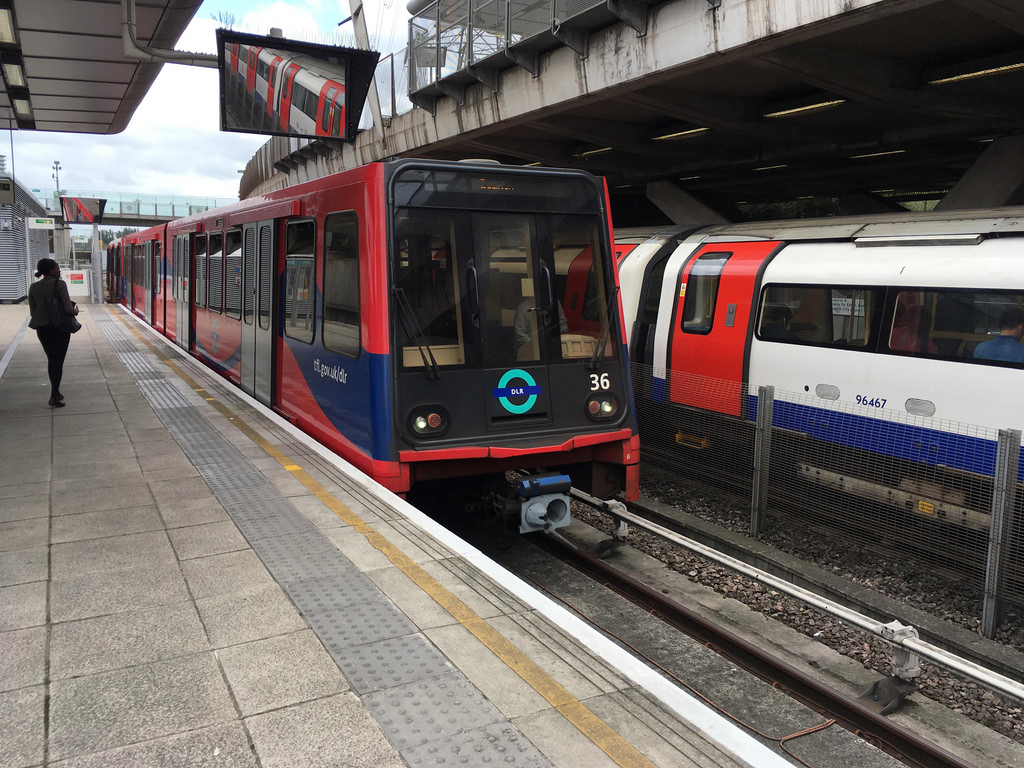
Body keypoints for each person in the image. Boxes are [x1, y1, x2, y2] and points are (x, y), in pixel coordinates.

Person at [27, 258, 79, 407]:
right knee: (58, 361)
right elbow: (68, 309)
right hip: (60, 327)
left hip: (43, 328)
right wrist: (75, 310)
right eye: (57, 268)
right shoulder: (60, 284)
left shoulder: (34, 287)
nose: (59, 270)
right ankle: (54, 394)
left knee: (52, 359)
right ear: (50, 271)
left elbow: (33, 311)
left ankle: (56, 393)